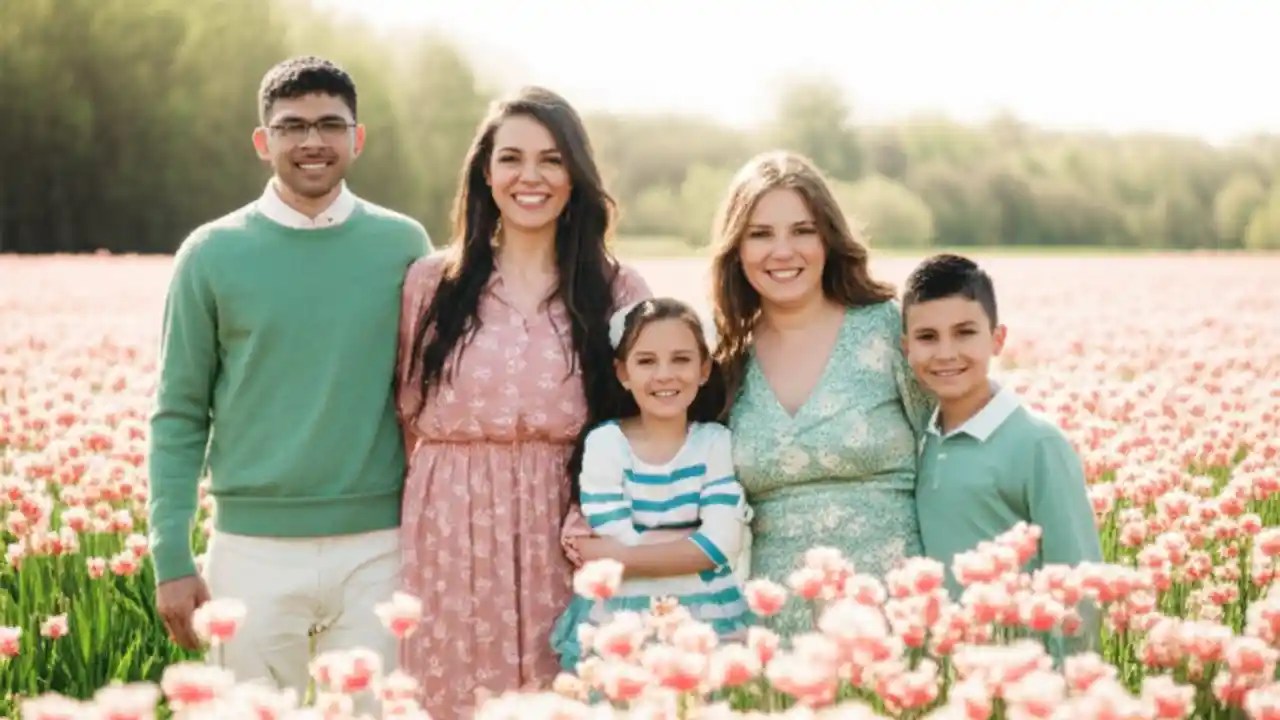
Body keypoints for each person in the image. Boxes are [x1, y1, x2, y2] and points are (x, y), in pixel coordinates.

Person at [147, 55, 431, 704]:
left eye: (331, 124)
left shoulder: (404, 245)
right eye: (292, 125)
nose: (312, 141)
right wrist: (170, 556)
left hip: (378, 548)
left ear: (357, 138)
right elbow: (178, 413)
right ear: (262, 141)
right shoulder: (211, 253)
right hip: (251, 547)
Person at [395, 85, 651, 717]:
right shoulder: (432, 282)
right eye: (511, 158)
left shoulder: (617, 289)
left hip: (565, 527)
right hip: (450, 530)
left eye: (551, 159)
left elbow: (646, 417)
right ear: (485, 173)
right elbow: (406, 414)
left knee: (563, 693)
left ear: (576, 176)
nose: (529, 176)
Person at [709, 150, 935, 636]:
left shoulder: (887, 330)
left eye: (802, 230)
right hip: (777, 625)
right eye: (760, 234)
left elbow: (949, 449)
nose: (782, 251)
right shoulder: (726, 362)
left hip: (896, 616)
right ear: (737, 249)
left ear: (828, 238)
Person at [902, 253, 1102, 653]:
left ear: (997, 338)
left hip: (1025, 674)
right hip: (949, 673)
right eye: (927, 337)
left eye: (964, 333)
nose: (945, 352)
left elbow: (1080, 584)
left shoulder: (1038, 445)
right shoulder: (918, 442)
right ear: (906, 347)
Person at [553, 297, 753, 671]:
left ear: (705, 369)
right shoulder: (606, 443)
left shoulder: (714, 442)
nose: (665, 374)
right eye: (646, 361)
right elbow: (609, 529)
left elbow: (722, 542)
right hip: (621, 617)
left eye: (681, 359)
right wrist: (684, 545)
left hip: (706, 612)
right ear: (623, 373)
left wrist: (623, 558)